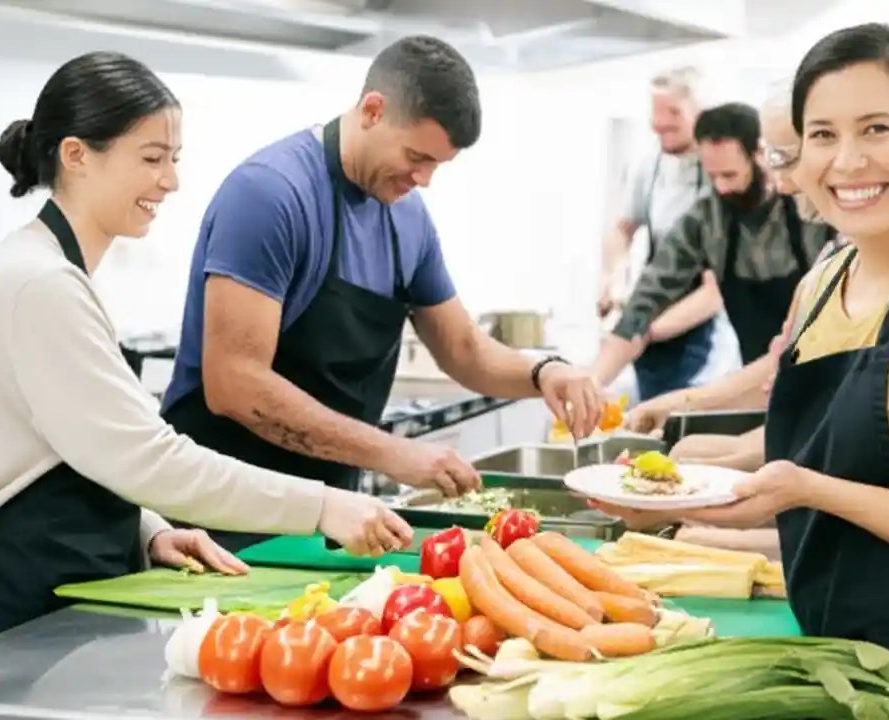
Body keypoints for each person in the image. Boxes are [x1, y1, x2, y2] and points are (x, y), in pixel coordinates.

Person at [593, 23, 889, 719]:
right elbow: (817, 446)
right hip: (836, 659)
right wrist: (679, 496)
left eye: (876, 129)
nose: (847, 161)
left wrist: (809, 491)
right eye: (823, 135)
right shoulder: (826, 281)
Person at [0, 52, 413, 667]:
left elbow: (80, 450)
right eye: (152, 159)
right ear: (76, 155)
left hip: (56, 590)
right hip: (6, 610)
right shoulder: (39, 282)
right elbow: (147, 456)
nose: (170, 182)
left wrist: (149, 529)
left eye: (174, 159)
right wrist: (324, 506)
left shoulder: (54, 272)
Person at [160, 36, 602, 551]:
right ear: (373, 110)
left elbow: (462, 349)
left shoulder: (407, 215)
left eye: (438, 164)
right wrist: (393, 453)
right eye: (417, 156)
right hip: (218, 515)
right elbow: (235, 383)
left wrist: (544, 372)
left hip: (328, 515)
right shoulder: (270, 194)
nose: (425, 179)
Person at [621, 80, 889, 438]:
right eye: (773, 158)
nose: (781, 181)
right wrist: (681, 407)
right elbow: (789, 371)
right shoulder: (837, 260)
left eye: (787, 158)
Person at [589, 102, 836, 392]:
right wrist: (592, 384)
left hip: (832, 372)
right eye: (712, 176)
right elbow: (644, 302)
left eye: (730, 175)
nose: (721, 187)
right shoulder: (705, 220)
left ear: (759, 154)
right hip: (760, 385)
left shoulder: (808, 209)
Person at [596, 67, 718, 401]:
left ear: (701, 113)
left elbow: (715, 292)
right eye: (656, 112)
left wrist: (647, 330)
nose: (661, 122)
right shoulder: (649, 168)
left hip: (703, 341)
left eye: (674, 112)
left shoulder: (719, 174)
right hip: (652, 336)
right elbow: (622, 229)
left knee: (687, 417)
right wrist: (613, 279)